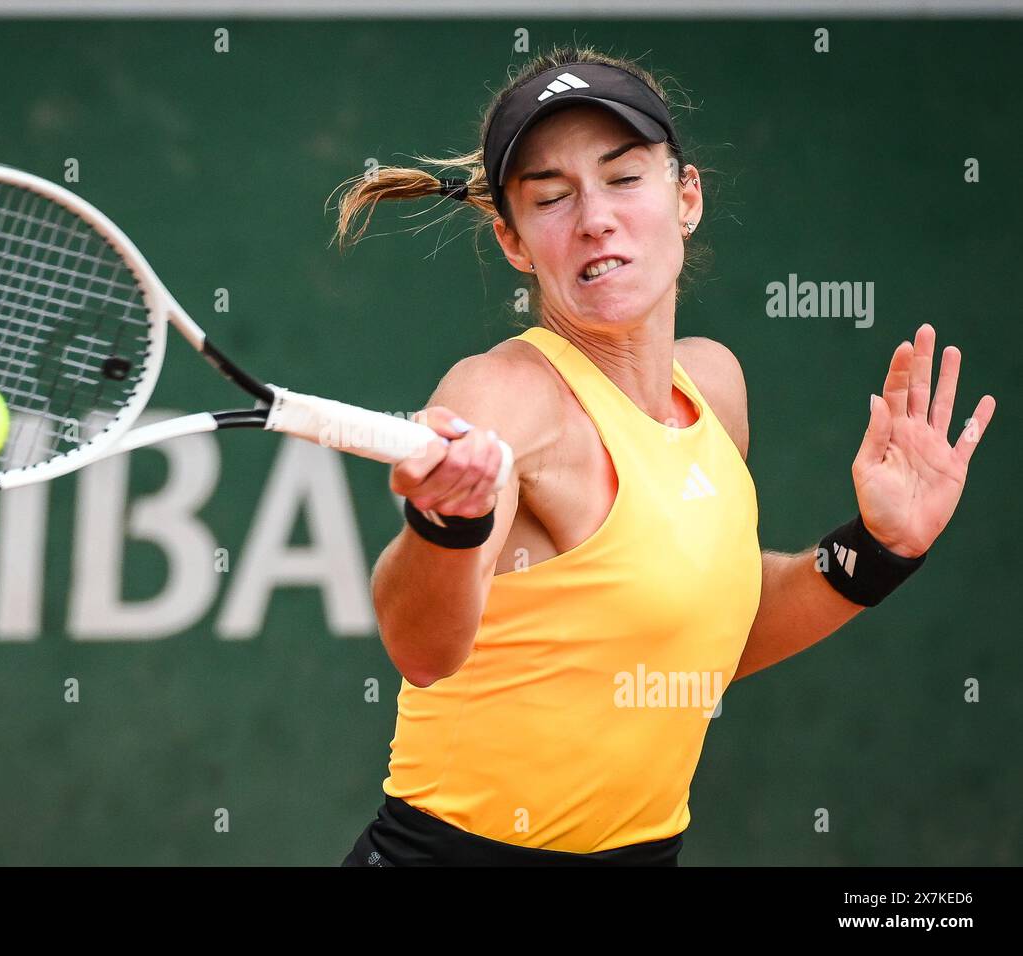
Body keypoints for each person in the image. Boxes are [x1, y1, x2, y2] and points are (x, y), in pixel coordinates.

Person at [330, 47, 995, 867]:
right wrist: (444, 526)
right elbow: (423, 655)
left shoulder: (714, 385)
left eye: (623, 178)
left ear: (687, 196)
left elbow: (694, 642)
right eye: (551, 196)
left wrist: (879, 547)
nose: (594, 218)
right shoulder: (501, 395)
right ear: (512, 239)